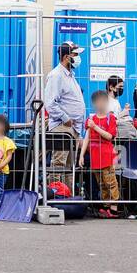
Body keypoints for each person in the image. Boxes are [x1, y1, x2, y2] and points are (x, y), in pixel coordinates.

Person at [43, 43, 85, 181]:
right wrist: (65, 118)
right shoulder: (56, 76)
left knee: (69, 167)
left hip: (71, 128)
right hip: (63, 127)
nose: (78, 58)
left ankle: (67, 198)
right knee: (59, 165)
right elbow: (50, 103)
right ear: (67, 57)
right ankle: (55, 197)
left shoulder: (69, 75)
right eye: (76, 54)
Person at [80, 90, 120, 217]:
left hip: (107, 156)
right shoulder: (91, 119)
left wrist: (95, 127)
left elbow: (109, 136)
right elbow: (87, 137)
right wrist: (81, 154)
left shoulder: (110, 118)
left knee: (110, 182)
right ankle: (106, 206)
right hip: (95, 157)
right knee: (101, 183)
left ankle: (114, 207)